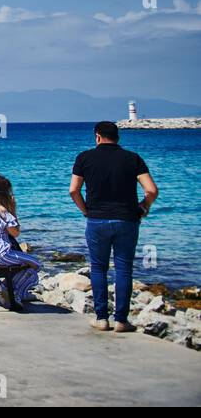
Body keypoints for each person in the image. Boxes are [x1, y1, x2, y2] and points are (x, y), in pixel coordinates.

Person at [70, 121, 159, 333]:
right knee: (123, 268)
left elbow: (74, 190)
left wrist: (85, 210)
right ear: (117, 137)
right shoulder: (132, 158)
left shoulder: (85, 157)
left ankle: (102, 318)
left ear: (97, 137)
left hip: (97, 220)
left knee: (98, 268)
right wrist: (143, 207)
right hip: (127, 220)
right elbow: (152, 190)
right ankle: (121, 320)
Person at [0, 174, 41, 308]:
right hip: (2, 252)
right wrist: (13, 209)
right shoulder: (2, 211)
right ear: (4, 192)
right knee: (36, 265)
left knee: (24, 265)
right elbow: (15, 233)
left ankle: (7, 289)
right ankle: (13, 292)